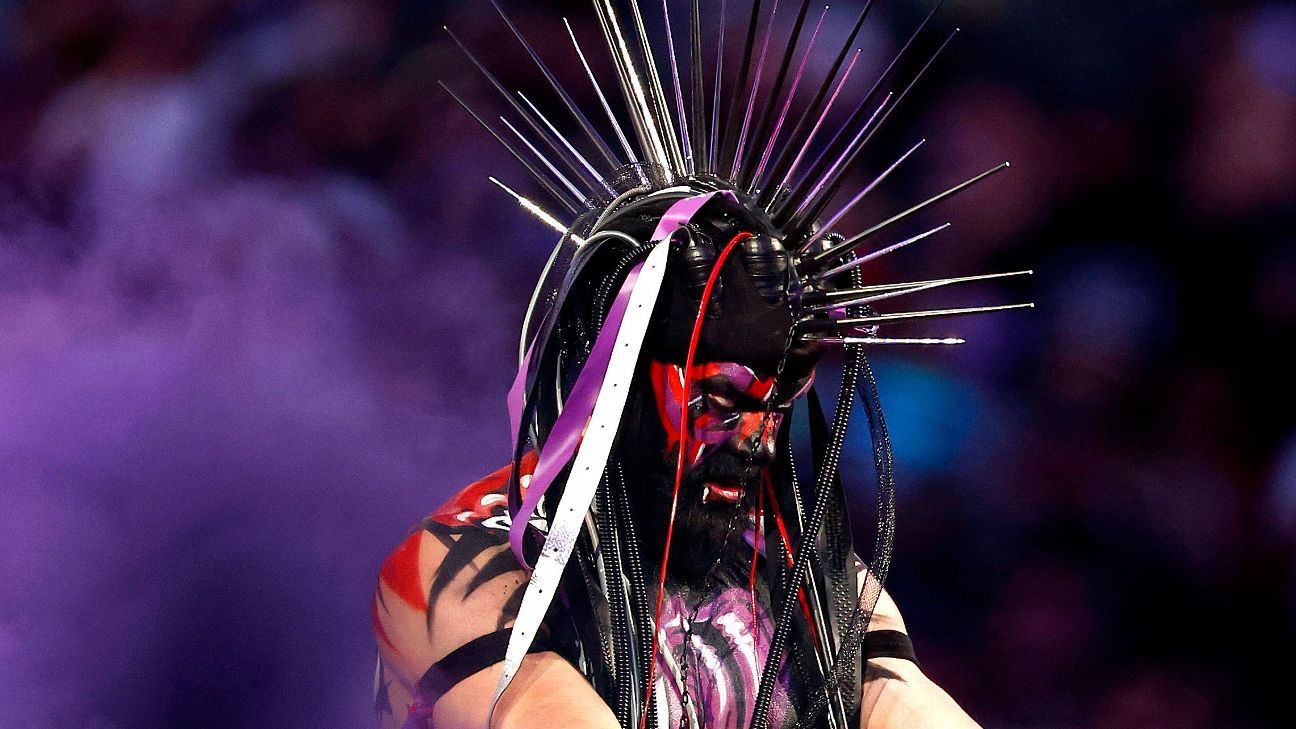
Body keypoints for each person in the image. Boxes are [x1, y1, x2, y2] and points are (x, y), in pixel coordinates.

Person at [374, 1, 1027, 726]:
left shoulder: (809, 575)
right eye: (720, 400)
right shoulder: (471, 561)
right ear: (616, 383)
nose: (756, 440)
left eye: (776, 408)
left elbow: (910, 707)